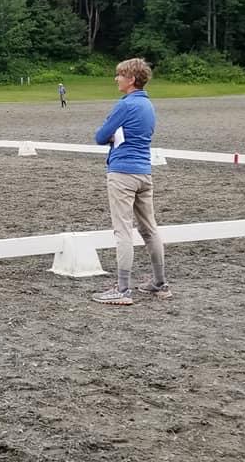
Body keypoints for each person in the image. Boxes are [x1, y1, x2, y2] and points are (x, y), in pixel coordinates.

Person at [90, 58, 170, 306]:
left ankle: (123, 289)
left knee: (123, 230)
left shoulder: (124, 105)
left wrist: (113, 136)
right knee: (150, 229)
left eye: (119, 75)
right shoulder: (149, 106)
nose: (116, 79)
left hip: (122, 173)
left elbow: (100, 137)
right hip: (144, 172)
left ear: (131, 79)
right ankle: (160, 282)